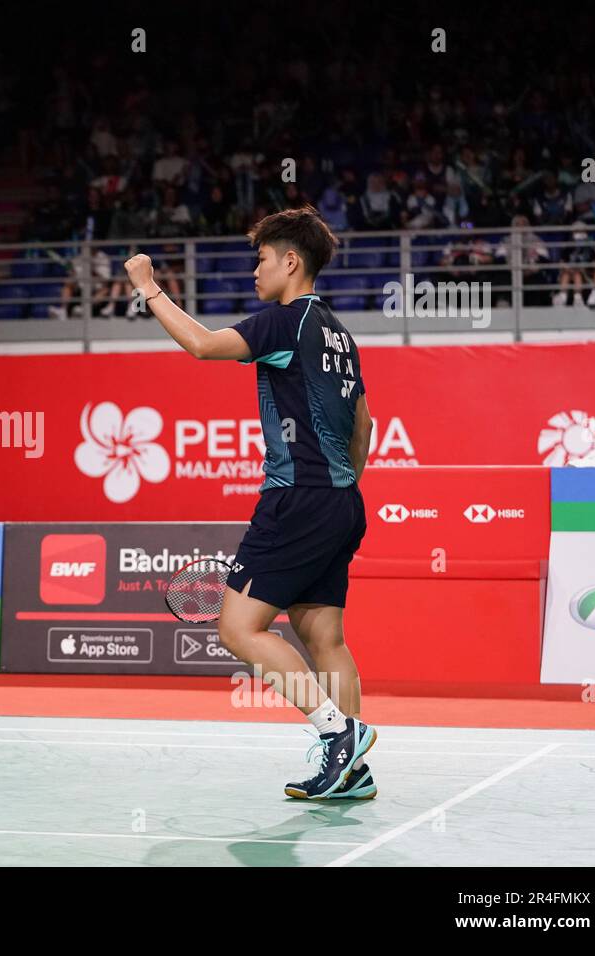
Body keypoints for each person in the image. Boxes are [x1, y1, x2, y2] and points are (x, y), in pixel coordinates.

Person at [123, 205, 377, 800]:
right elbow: (365, 424)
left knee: (238, 627)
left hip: (296, 498)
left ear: (291, 262)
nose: (254, 271)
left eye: (261, 260)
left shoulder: (284, 322)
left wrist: (149, 288)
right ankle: (352, 770)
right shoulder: (339, 334)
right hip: (342, 501)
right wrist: (340, 488)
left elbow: (203, 345)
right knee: (325, 638)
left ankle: (337, 734)